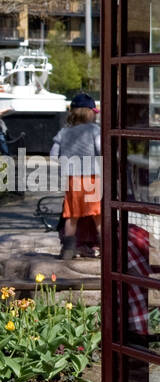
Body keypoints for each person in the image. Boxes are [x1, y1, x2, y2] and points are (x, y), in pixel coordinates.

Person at [50, 92, 102, 259]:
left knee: (71, 216)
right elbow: (102, 150)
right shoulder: (95, 130)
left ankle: (68, 250)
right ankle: (106, 249)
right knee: (97, 214)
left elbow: (53, 155)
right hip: (93, 177)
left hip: (72, 179)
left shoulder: (64, 132)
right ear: (90, 112)